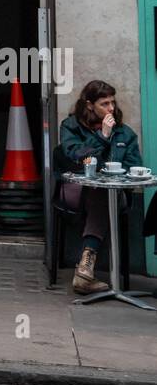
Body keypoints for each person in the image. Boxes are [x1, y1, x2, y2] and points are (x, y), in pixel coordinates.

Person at [57, 80, 144, 295]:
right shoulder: (71, 127)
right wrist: (103, 137)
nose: (111, 108)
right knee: (98, 191)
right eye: (105, 104)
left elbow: (135, 165)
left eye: (113, 103)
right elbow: (75, 155)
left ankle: (86, 265)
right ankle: (87, 267)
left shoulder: (125, 133)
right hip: (75, 191)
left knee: (102, 191)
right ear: (89, 105)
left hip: (114, 194)